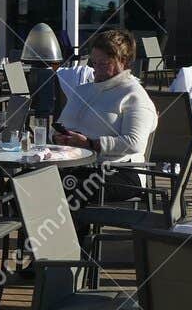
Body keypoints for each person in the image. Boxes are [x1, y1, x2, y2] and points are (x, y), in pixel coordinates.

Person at [53, 28, 158, 201]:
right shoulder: (83, 90)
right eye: (94, 63)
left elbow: (135, 142)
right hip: (77, 166)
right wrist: (59, 137)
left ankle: (68, 228)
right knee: (26, 181)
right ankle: (37, 227)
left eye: (103, 64)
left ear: (123, 61)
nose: (96, 69)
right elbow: (62, 124)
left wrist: (91, 144)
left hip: (119, 171)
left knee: (63, 189)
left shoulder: (134, 95)